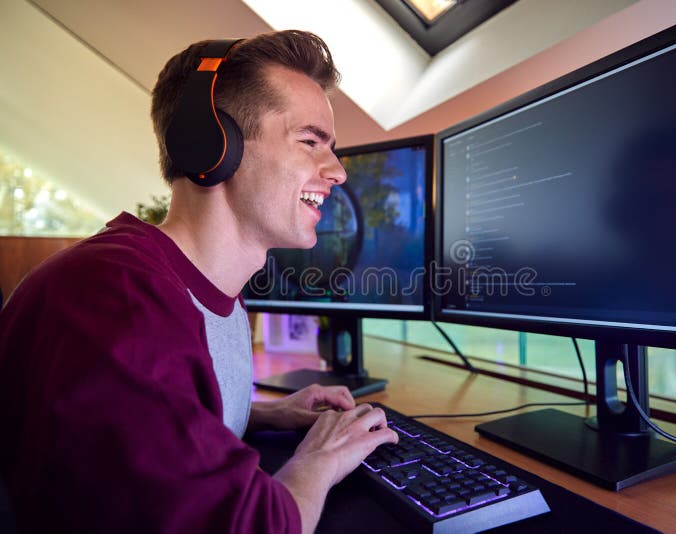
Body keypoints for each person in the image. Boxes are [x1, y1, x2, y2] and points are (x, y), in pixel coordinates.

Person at [0, 30, 398, 533]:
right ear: (211, 144)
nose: (337, 171)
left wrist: (264, 414)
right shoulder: (117, 303)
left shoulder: (201, 293)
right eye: (310, 141)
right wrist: (319, 458)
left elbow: (143, 419)